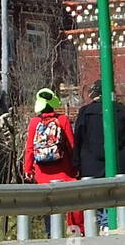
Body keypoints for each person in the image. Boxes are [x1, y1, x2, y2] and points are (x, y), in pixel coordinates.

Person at [23, 87, 83, 235]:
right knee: (73, 200)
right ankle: (76, 230)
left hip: (42, 173)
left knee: (48, 203)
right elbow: (71, 145)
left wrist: (28, 169)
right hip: (64, 169)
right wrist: (76, 165)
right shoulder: (62, 120)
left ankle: (51, 232)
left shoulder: (34, 123)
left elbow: (30, 148)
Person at [73, 80, 125, 232]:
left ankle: (100, 225)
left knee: (96, 199)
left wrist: (75, 163)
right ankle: (109, 224)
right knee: (114, 196)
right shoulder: (121, 111)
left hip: (91, 165)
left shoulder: (85, 112)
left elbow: (79, 139)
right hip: (118, 164)